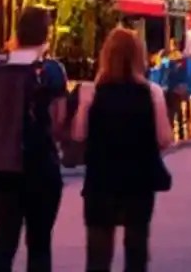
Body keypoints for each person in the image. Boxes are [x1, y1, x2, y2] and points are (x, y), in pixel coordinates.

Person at [0, 6, 68, 272]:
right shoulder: (51, 71)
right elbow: (58, 119)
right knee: (39, 242)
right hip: (39, 163)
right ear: (46, 34)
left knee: (5, 237)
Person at [76, 28, 172, 272]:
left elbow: (78, 134)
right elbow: (165, 138)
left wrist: (84, 107)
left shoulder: (94, 92)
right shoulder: (152, 93)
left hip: (101, 180)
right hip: (139, 180)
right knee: (136, 251)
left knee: (98, 255)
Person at [164, 50, 190, 141]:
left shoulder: (169, 66)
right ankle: (180, 135)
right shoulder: (179, 68)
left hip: (171, 92)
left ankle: (176, 135)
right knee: (176, 113)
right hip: (175, 93)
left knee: (173, 114)